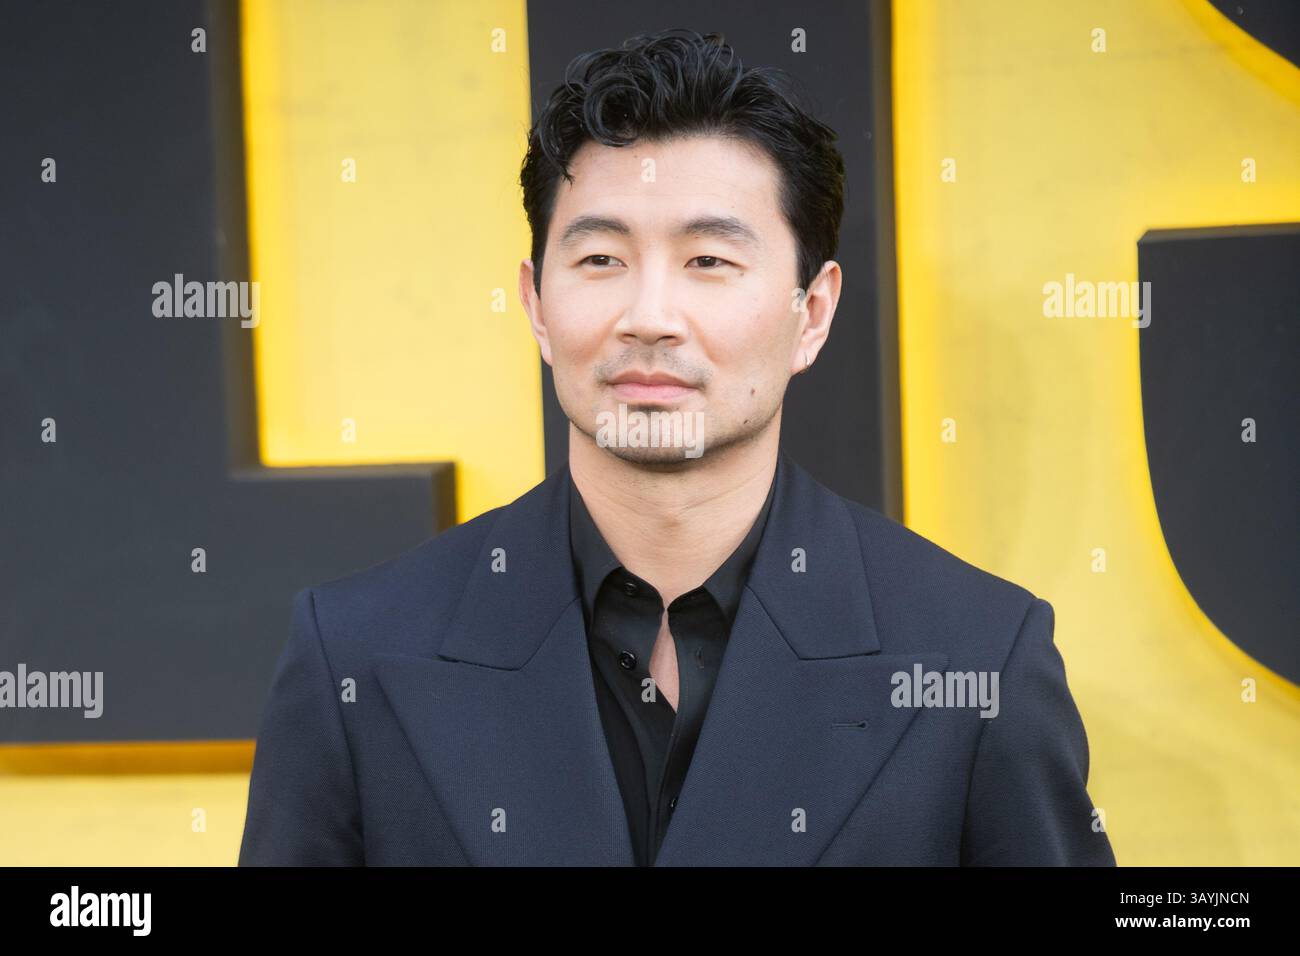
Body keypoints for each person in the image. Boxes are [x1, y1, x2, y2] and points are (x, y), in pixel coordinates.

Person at [238, 28, 1116, 866]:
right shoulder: (353, 653)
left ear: (812, 312)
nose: (650, 317)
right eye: (600, 260)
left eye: (708, 261)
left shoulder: (974, 656)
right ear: (537, 306)